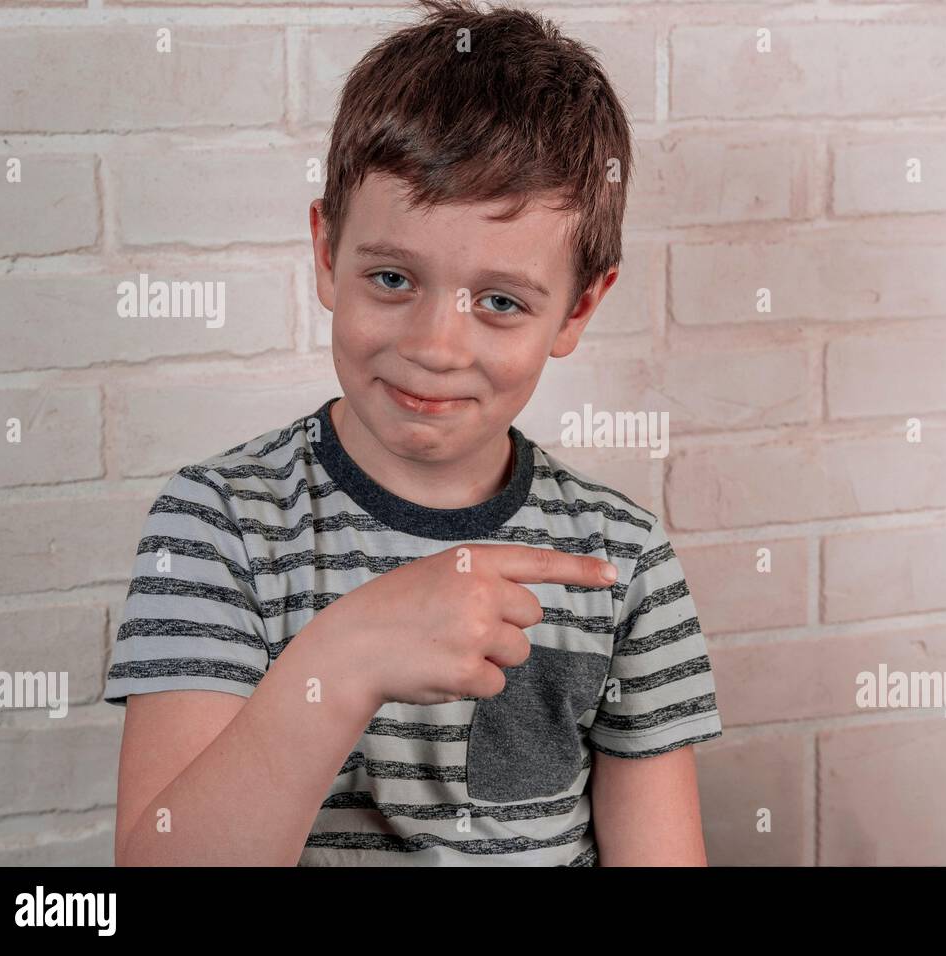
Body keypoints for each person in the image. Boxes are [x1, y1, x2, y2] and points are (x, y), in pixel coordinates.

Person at [105, 0, 724, 866]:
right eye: (392, 277)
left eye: (501, 302)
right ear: (326, 253)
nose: (436, 348)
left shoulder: (624, 560)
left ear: (578, 308)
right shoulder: (217, 527)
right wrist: (346, 657)